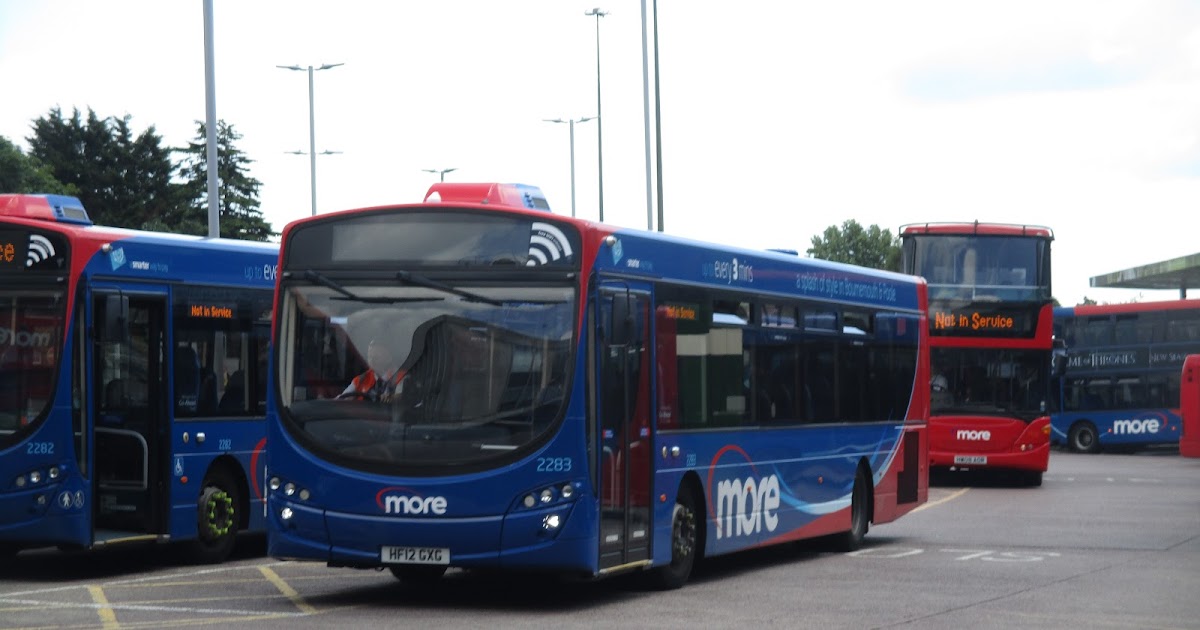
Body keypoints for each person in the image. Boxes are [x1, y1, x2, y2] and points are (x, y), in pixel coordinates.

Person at [338, 339, 406, 402]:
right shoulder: (361, 379)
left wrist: (392, 398)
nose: (372, 361)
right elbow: (342, 399)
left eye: (376, 358)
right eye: (369, 357)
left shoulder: (401, 377)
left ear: (389, 358)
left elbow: (402, 398)